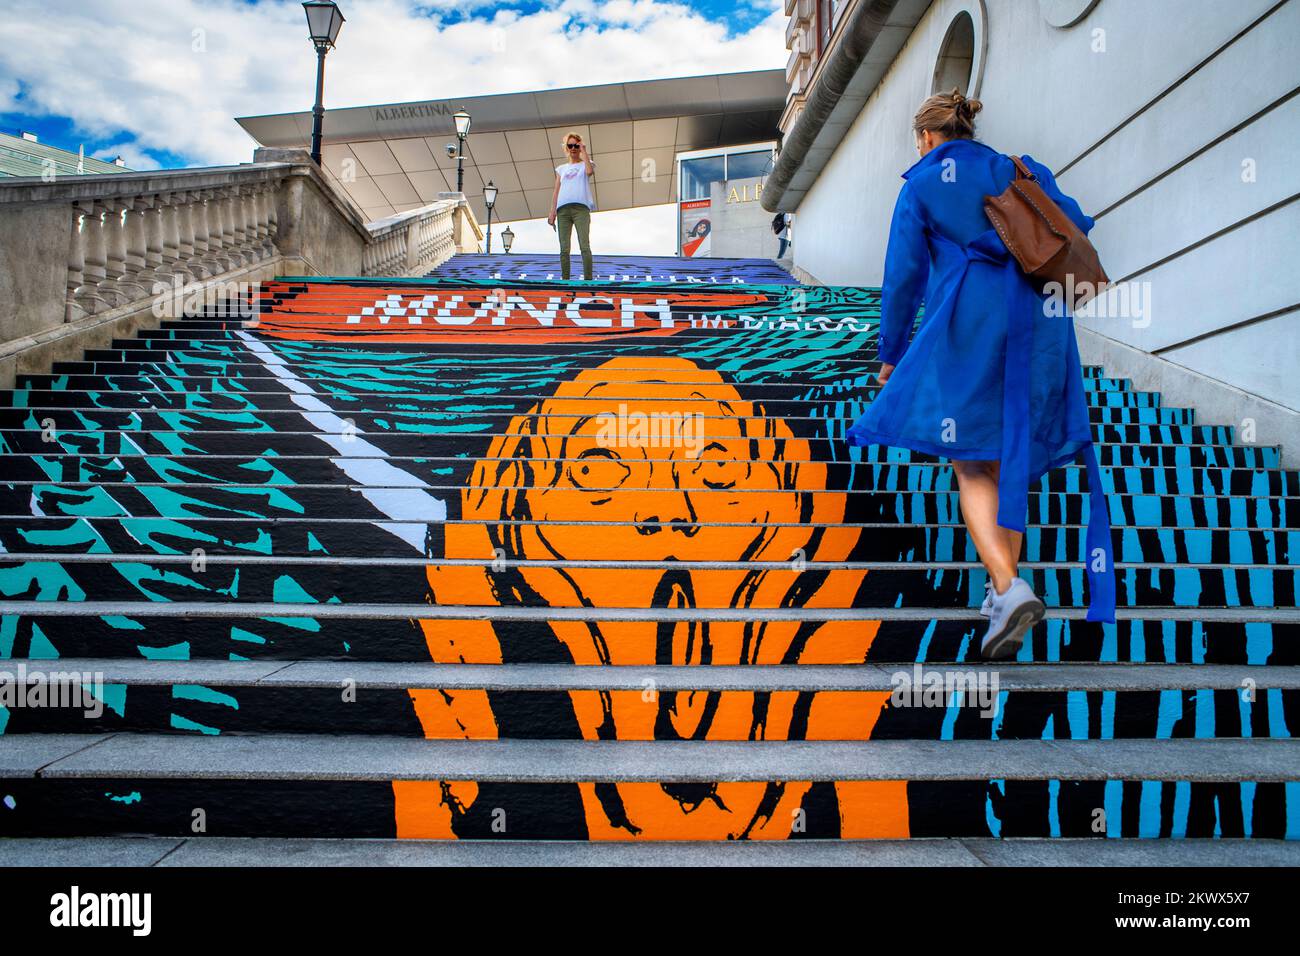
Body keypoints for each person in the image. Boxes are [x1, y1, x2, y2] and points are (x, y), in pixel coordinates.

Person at [847, 88, 1116, 660]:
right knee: (1007, 459)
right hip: (1040, 326)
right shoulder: (1019, 167)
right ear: (966, 128)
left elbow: (903, 278)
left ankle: (1008, 584)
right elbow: (1077, 222)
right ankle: (1003, 599)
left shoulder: (921, 183)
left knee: (970, 462)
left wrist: (891, 354)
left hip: (969, 322)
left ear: (926, 138)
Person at [547, 131, 597, 280]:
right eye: (570, 145)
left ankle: (588, 279)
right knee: (564, 248)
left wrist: (584, 151)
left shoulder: (585, 163)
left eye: (576, 145)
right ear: (566, 148)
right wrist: (552, 212)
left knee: (584, 245)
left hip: (580, 208)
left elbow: (589, 172)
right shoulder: (561, 169)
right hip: (563, 210)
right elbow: (556, 190)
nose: (573, 148)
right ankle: (565, 279)